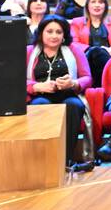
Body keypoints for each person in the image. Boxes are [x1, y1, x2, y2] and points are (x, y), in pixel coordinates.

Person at [27, 15, 93, 168]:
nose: (54, 36)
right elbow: (16, 80)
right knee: (40, 105)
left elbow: (87, 77)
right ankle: (42, 159)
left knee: (73, 106)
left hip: (68, 94)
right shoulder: (29, 51)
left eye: (59, 32)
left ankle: (65, 160)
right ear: (41, 33)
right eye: (49, 31)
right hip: (40, 95)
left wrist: (73, 83)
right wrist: (36, 86)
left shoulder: (73, 50)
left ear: (64, 36)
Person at [69, 0, 111, 86]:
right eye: (93, 2)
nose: (97, 5)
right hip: (85, 59)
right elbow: (73, 43)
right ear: (87, 5)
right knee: (96, 52)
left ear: (105, 6)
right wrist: (92, 49)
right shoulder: (77, 23)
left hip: (109, 57)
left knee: (100, 54)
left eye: (100, 2)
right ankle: (108, 83)